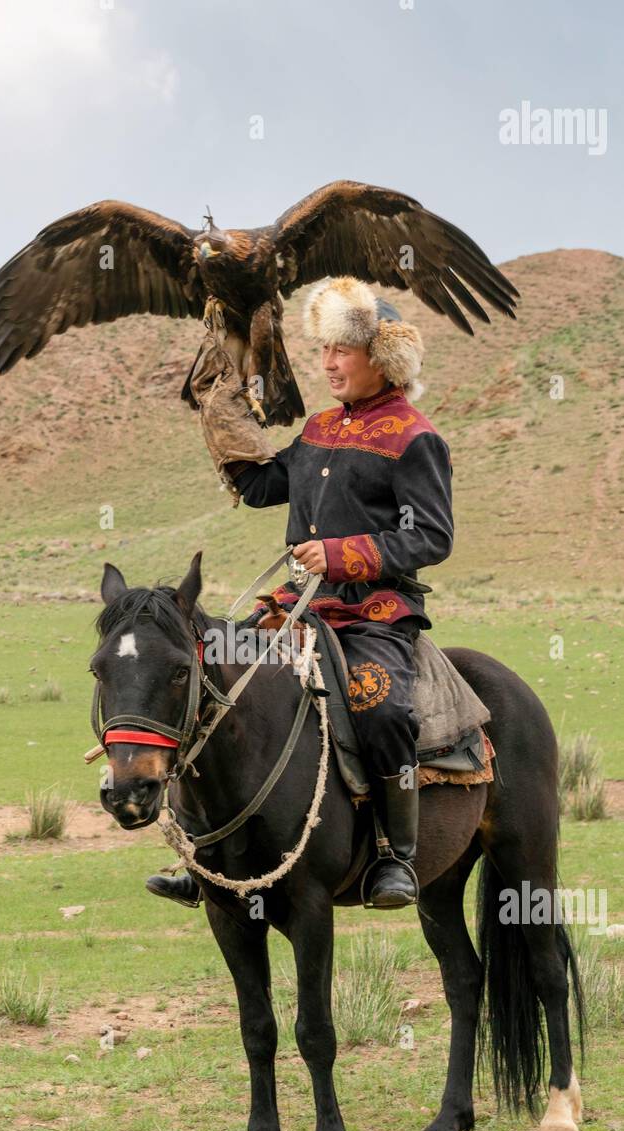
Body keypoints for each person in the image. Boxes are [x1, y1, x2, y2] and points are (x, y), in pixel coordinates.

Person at [147, 276, 453, 910]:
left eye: (343, 350)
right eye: (326, 350)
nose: (329, 363)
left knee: (384, 709)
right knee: (213, 682)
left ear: (383, 359)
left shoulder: (415, 437)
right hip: (296, 610)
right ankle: (207, 853)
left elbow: (431, 535)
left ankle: (397, 857)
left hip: (374, 614)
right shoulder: (318, 429)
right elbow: (262, 487)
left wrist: (343, 553)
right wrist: (220, 408)